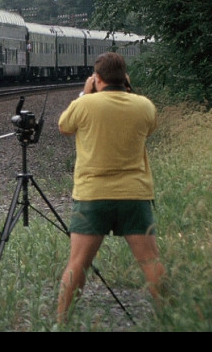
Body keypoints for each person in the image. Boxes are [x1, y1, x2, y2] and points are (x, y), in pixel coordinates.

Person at [56, 52, 165, 323]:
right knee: (151, 262)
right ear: (125, 78)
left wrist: (85, 94)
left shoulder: (85, 105)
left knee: (78, 262)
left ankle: (62, 323)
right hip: (135, 195)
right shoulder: (145, 106)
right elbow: (148, 128)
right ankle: (171, 318)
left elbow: (64, 127)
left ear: (97, 78)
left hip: (93, 196)